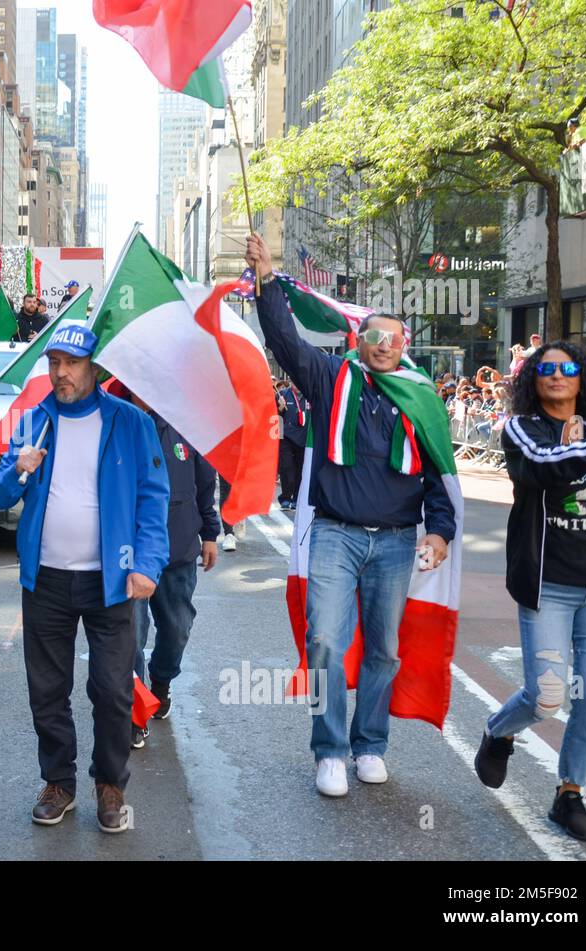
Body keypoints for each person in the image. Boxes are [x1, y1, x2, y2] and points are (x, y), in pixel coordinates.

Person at [246, 232, 455, 798]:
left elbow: (440, 476)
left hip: (395, 543)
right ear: (358, 341)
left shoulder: (421, 397)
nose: (382, 345)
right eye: (373, 337)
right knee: (325, 644)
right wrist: (266, 280)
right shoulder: (333, 379)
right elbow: (286, 344)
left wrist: (439, 532)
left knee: (385, 649)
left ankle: (370, 745)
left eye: (392, 338)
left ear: (403, 344)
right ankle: (330, 750)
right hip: (336, 535)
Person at [0, 324, 169, 833]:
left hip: (110, 582)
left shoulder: (130, 422)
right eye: (54, 363)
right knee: (47, 688)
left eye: (72, 363)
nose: (61, 373)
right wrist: (17, 470)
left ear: (94, 367)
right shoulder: (34, 422)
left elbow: (151, 497)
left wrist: (146, 563)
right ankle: (59, 782)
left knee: (112, 690)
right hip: (45, 580)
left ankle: (110, 783)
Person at [474, 342, 586, 841]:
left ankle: (569, 795)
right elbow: (547, 467)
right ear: (532, 379)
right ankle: (498, 732)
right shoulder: (522, 429)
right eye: (547, 369)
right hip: (550, 589)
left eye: (568, 368)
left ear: (582, 377)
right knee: (546, 698)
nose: (558, 376)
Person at [114, 383, 219, 749]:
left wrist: (210, 531)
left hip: (178, 548)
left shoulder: (185, 422)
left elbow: (205, 481)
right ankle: (134, 712)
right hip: (129, 553)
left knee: (177, 628)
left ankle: (161, 682)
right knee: (131, 635)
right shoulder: (114, 418)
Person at [277, 379, 308, 509]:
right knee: (287, 468)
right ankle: (285, 497)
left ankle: (296, 498)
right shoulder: (282, 394)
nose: (298, 385)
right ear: (291, 382)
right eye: (295, 382)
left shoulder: (310, 394)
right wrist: (279, 408)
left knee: (300, 470)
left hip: (304, 436)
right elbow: (273, 416)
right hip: (287, 437)